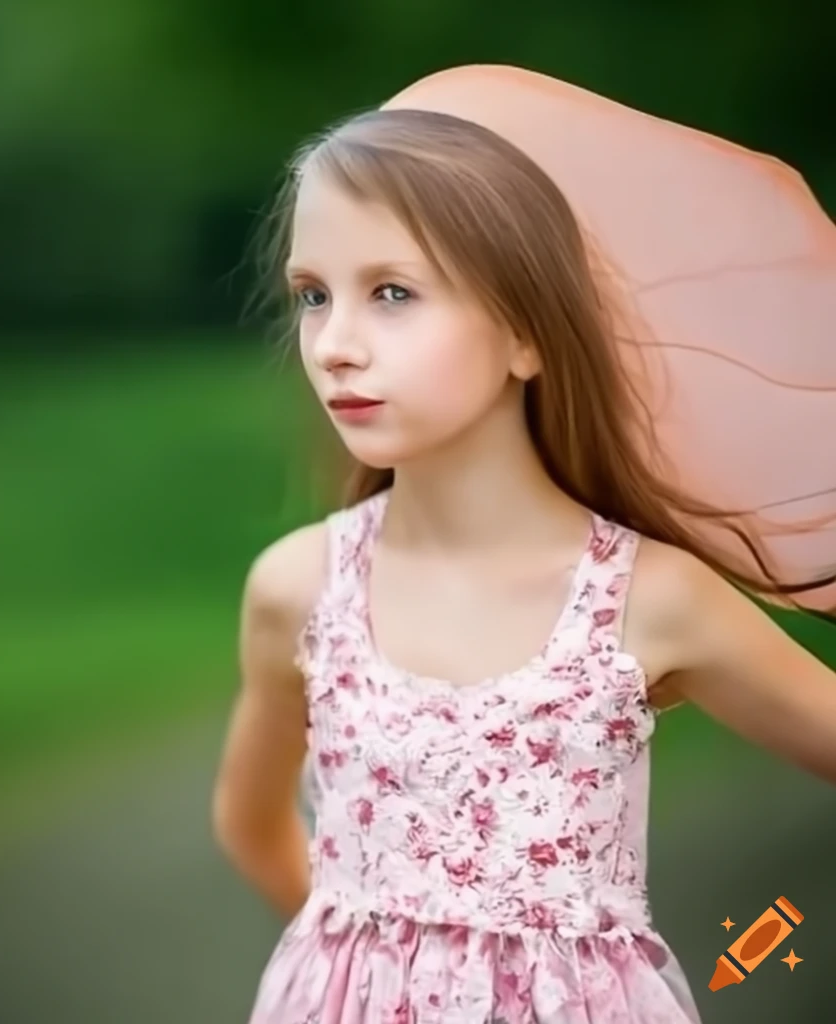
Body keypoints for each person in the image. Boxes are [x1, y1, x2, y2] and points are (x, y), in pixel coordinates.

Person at [211, 66, 836, 1024]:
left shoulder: (648, 598)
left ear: (525, 333)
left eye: (390, 292)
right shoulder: (299, 589)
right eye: (311, 295)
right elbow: (249, 823)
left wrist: (771, 948)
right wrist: (367, 958)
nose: (335, 342)